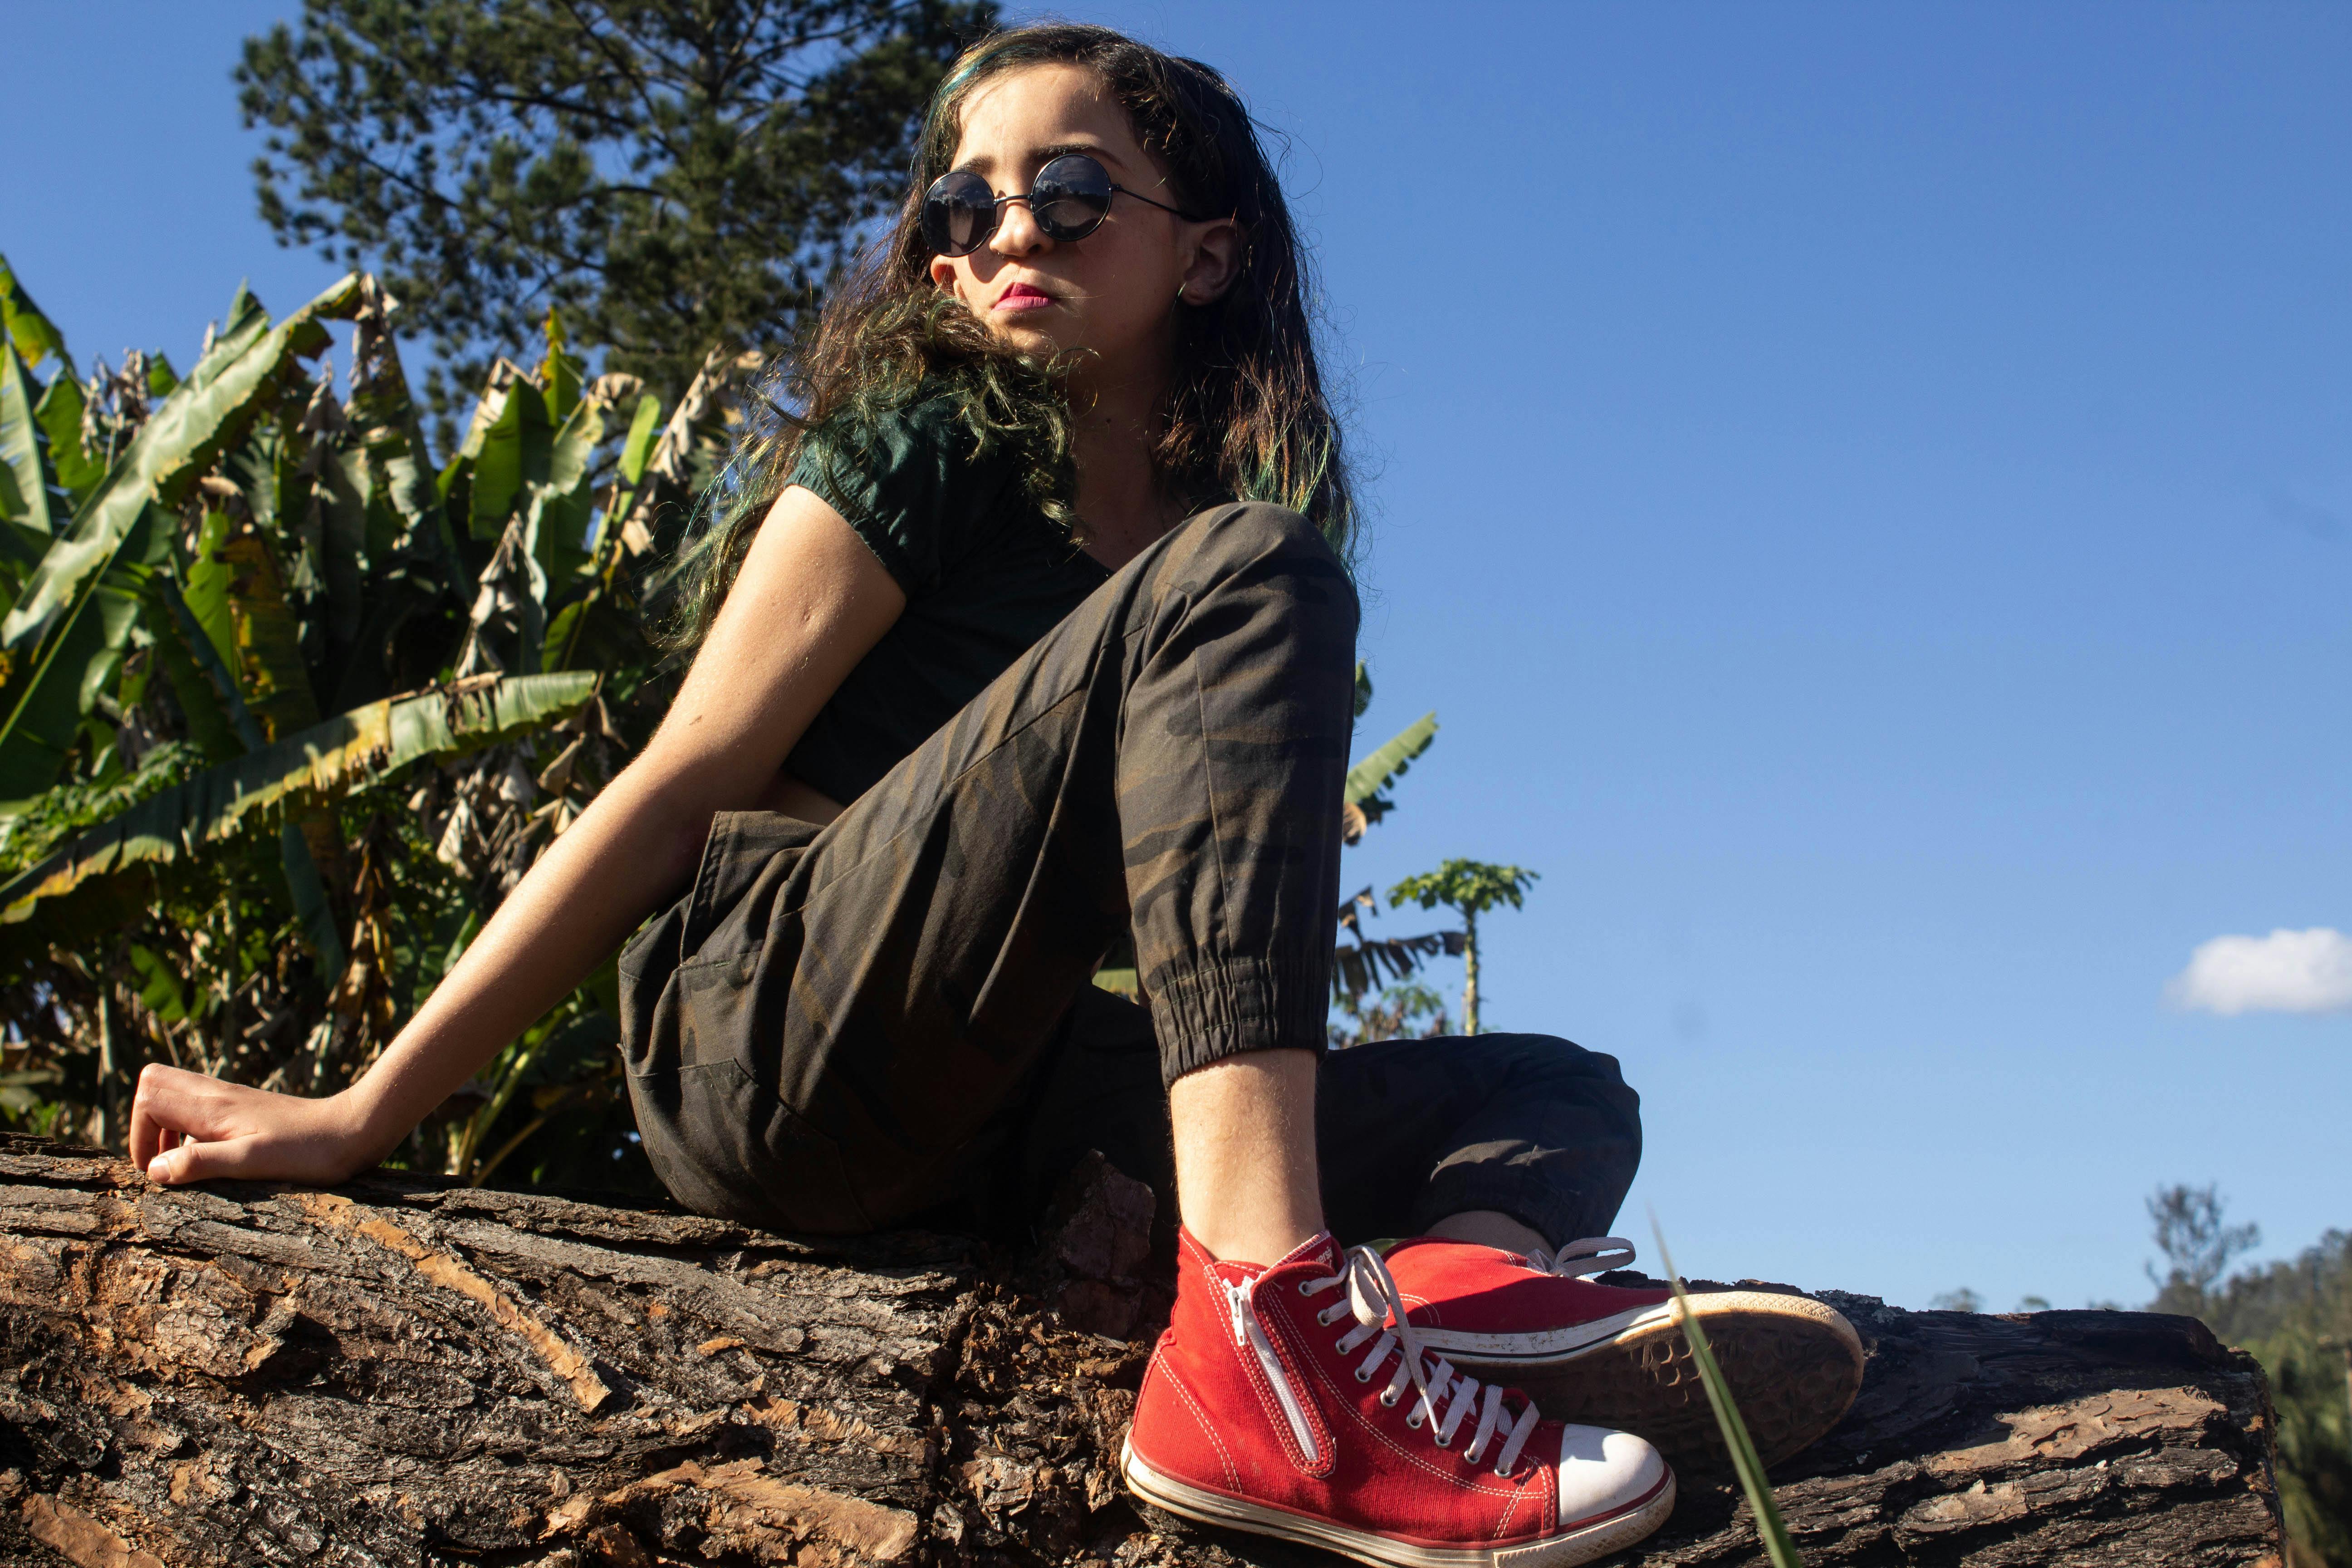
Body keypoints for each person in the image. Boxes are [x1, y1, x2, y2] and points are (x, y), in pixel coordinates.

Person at [128, 24, 1860, 1567]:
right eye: (965, 205)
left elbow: (1206, 955)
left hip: (996, 1096)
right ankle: (1267, 1336)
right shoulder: (929, 447)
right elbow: (676, 782)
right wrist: (362, 1112)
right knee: (1252, 572)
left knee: (1551, 1094)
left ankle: (1428, 1312)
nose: (1009, 229)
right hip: (768, 1030)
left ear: (1209, 251)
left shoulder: (1197, 556)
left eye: (1074, 191)